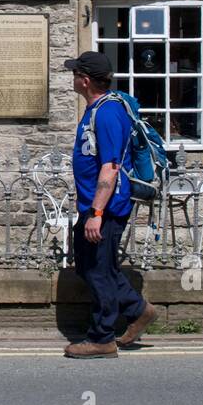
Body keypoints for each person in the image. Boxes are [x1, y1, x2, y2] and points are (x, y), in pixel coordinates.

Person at [63, 51, 157, 359]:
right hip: (94, 205)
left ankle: (102, 337)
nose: (73, 77)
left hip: (107, 207)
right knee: (93, 266)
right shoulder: (97, 108)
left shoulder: (106, 113)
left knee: (98, 270)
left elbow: (111, 166)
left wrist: (97, 213)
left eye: (76, 73)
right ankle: (137, 309)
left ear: (85, 80)